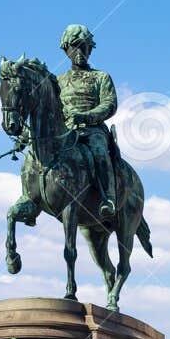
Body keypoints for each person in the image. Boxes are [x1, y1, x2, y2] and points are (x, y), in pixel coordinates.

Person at [56, 24, 120, 220]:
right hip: (65, 131)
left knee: (100, 152)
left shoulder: (101, 77)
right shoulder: (57, 81)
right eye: (75, 46)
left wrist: (86, 116)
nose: (80, 51)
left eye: (85, 46)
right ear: (66, 49)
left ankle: (107, 198)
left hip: (92, 131)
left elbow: (109, 104)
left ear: (91, 49)